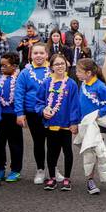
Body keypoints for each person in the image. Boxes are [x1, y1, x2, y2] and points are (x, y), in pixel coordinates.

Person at [74, 58, 106, 194]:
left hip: (100, 124)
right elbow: (79, 105)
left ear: (88, 73)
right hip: (86, 124)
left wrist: (99, 113)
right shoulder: (82, 85)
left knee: (103, 151)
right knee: (89, 152)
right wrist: (76, 122)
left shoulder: (100, 86)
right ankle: (90, 180)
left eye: (79, 71)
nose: (76, 73)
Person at [38, 53, 78, 190]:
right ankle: (52, 178)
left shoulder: (71, 84)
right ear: (51, 67)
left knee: (67, 151)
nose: (60, 66)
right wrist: (43, 110)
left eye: (62, 63)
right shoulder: (46, 83)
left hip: (66, 125)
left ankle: (67, 178)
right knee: (51, 151)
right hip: (51, 124)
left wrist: (74, 122)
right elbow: (38, 102)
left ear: (66, 65)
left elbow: (74, 105)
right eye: (57, 64)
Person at [16, 43, 50, 184]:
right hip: (32, 113)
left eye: (41, 53)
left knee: (54, 143)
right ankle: (40, 169)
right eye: (35, 53)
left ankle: (53, 170)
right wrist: (20, 113)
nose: (38, 56)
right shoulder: (25, 73)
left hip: (52, 113)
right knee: (39, 142)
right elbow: (19, 93)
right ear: (31, 55)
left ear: (46, 55)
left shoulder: (53, 70)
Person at [0, 51, 24, 182]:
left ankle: (16, 170)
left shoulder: (19, 79)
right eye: (1, 65)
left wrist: (21, 114)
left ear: (14, 66)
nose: (2, 68)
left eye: (5, 66)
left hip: (14, 116)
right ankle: (0, 168)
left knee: (15, 144)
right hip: (0, 116)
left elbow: (21, 96)